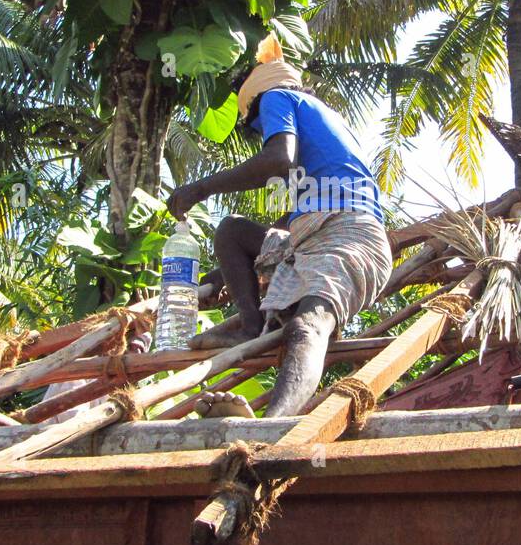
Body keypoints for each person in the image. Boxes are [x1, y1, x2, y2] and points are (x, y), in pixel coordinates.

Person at [167, 34, 392, 417]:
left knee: (307, 326)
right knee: (232, 231)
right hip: (313, 234)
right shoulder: (322, 121)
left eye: (257, 127)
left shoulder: (277, 98)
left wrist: (199, 188)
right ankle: (250, 327)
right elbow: (288, 225)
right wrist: (226, 274)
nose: (261, 132)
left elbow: (278, 160)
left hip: (347, 234)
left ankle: (271, 429)